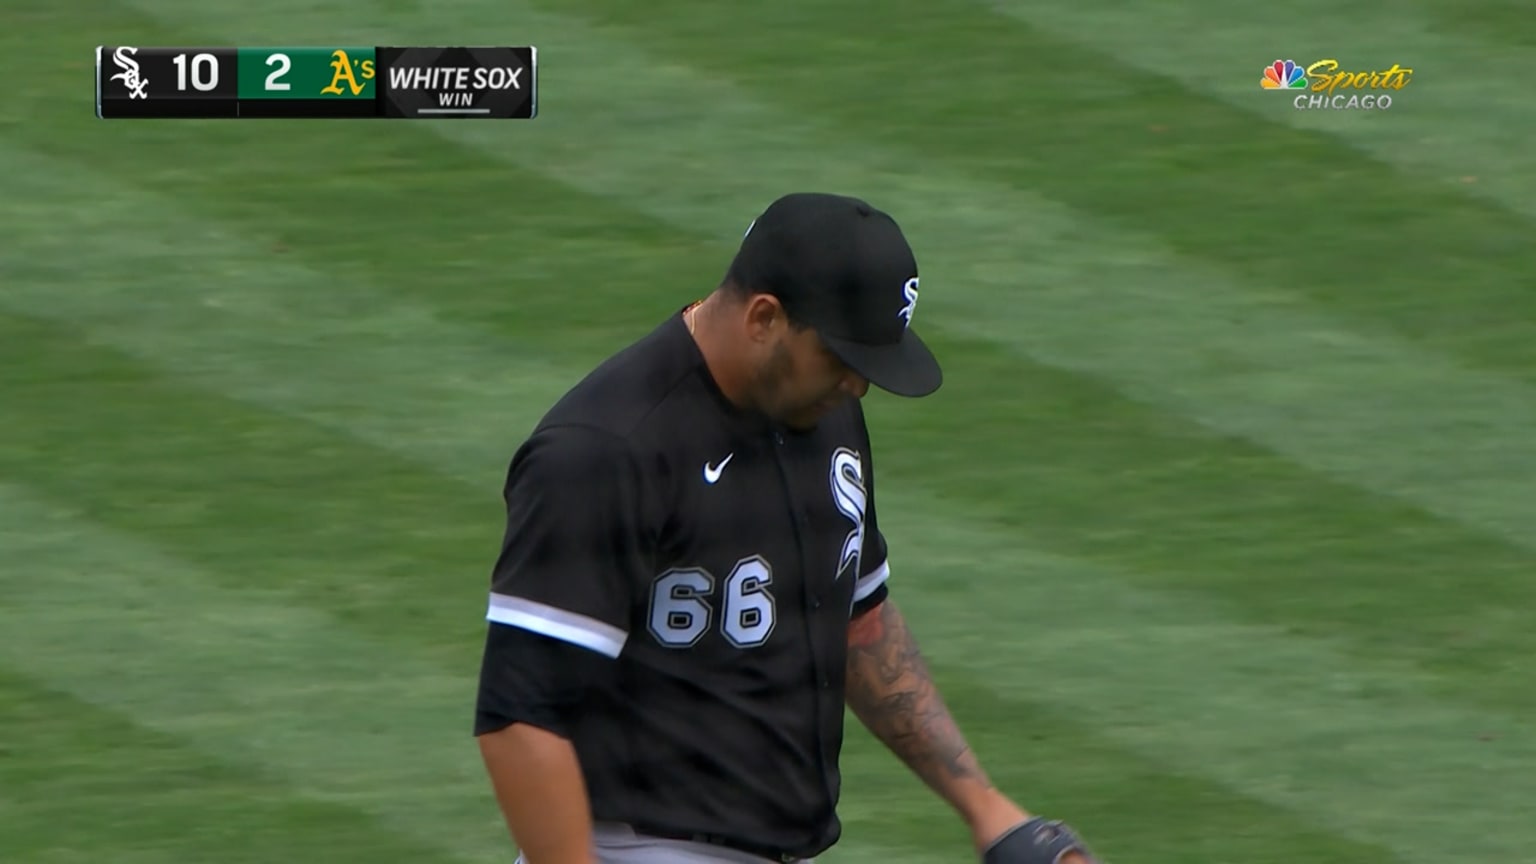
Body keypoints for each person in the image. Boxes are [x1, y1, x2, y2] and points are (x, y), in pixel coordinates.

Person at [473, 192, 1100, 864]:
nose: (858, 387)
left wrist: (989, 810)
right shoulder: (606, 449)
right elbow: (519, 718)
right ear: (765, 317)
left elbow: (857, 616)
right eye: (842, 359)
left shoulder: (820, 409)